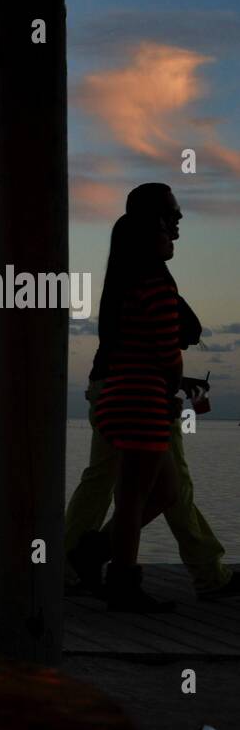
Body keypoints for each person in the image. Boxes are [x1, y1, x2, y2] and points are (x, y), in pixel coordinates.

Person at [65, 185, 238, 606]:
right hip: (142, 396)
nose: (177, 223)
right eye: (171, 216)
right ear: (153, 221)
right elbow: (181, 335)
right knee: (169, 486)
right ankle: (206, 575)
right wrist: (173, 382)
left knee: (106, 482)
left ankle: (69, 560)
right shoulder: (152, 277)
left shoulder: (121, 273)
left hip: (107, 389)